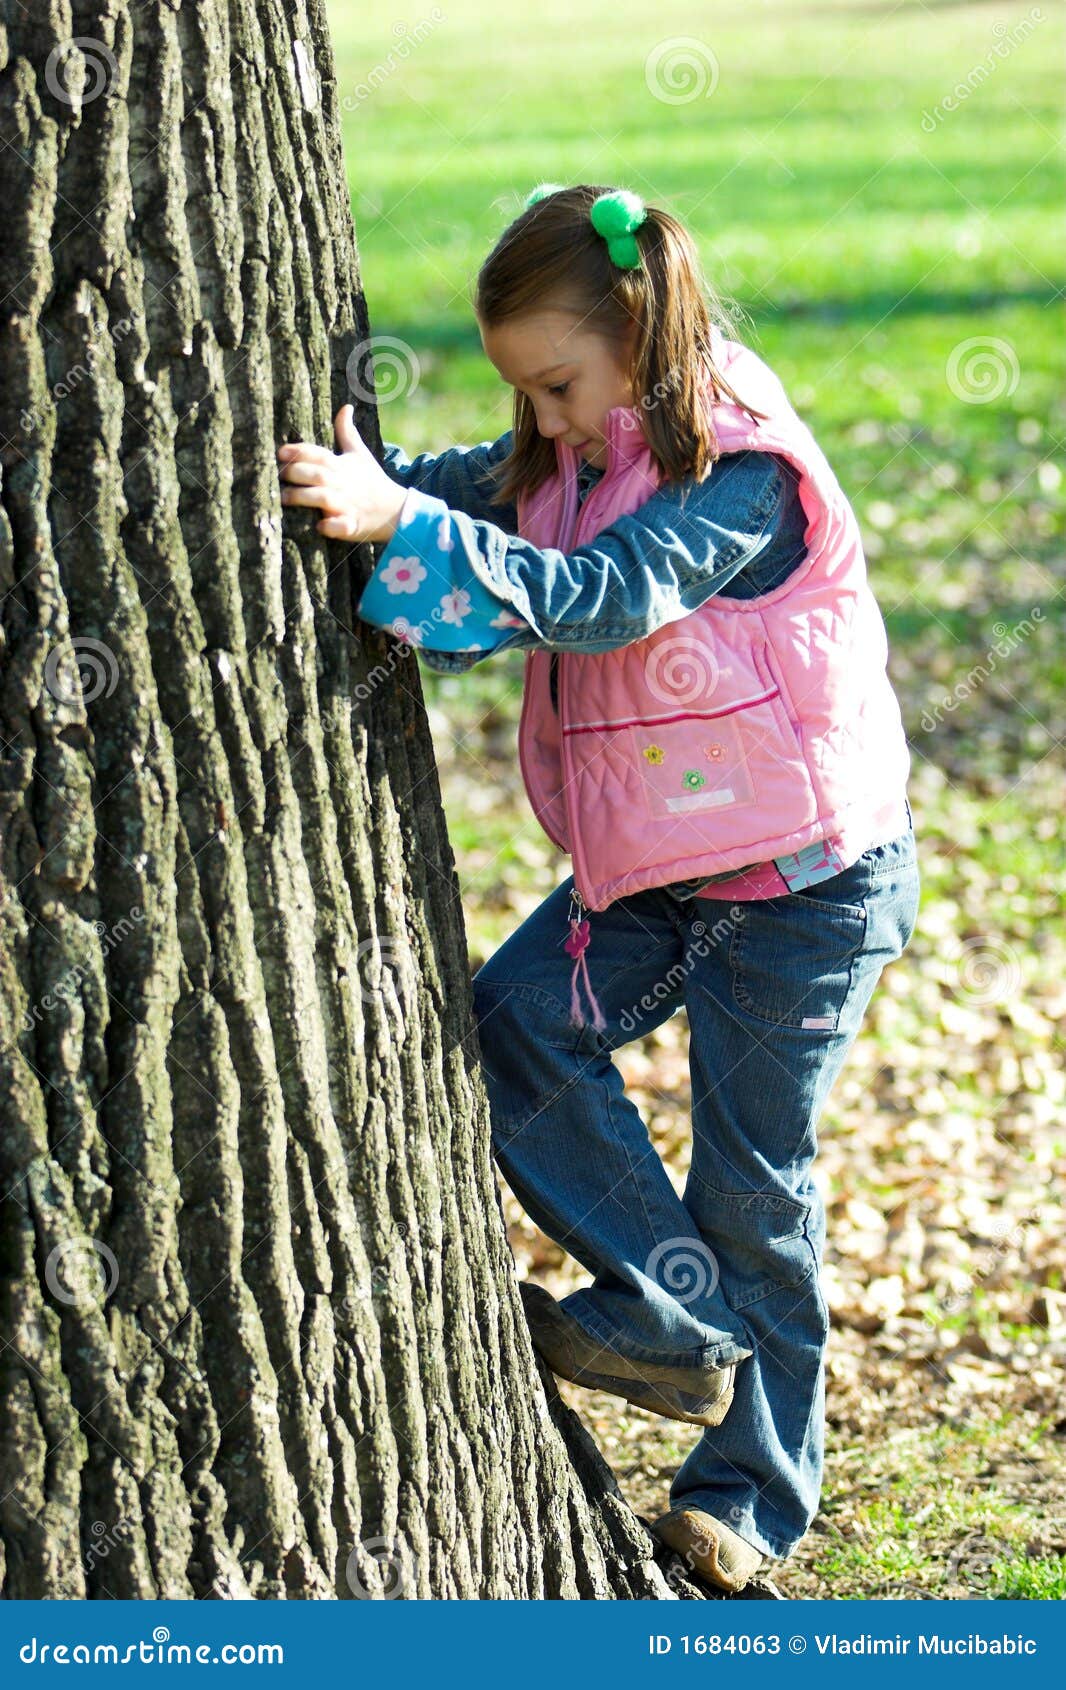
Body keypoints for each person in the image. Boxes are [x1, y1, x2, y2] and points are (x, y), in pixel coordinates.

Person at [276, 183, 920, 1594]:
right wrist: (370, 482)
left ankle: (746, 1494)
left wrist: (403, 521)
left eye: (557, 385)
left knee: (752, 1182)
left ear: (633, 326)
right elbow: (474, 493)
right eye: (526, 395)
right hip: (652, 874)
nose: (545, 420)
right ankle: (664, 1321)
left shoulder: (740, 472)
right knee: (510, 1017)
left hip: (800, 883)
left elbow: (604, 596)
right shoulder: (567, 450)